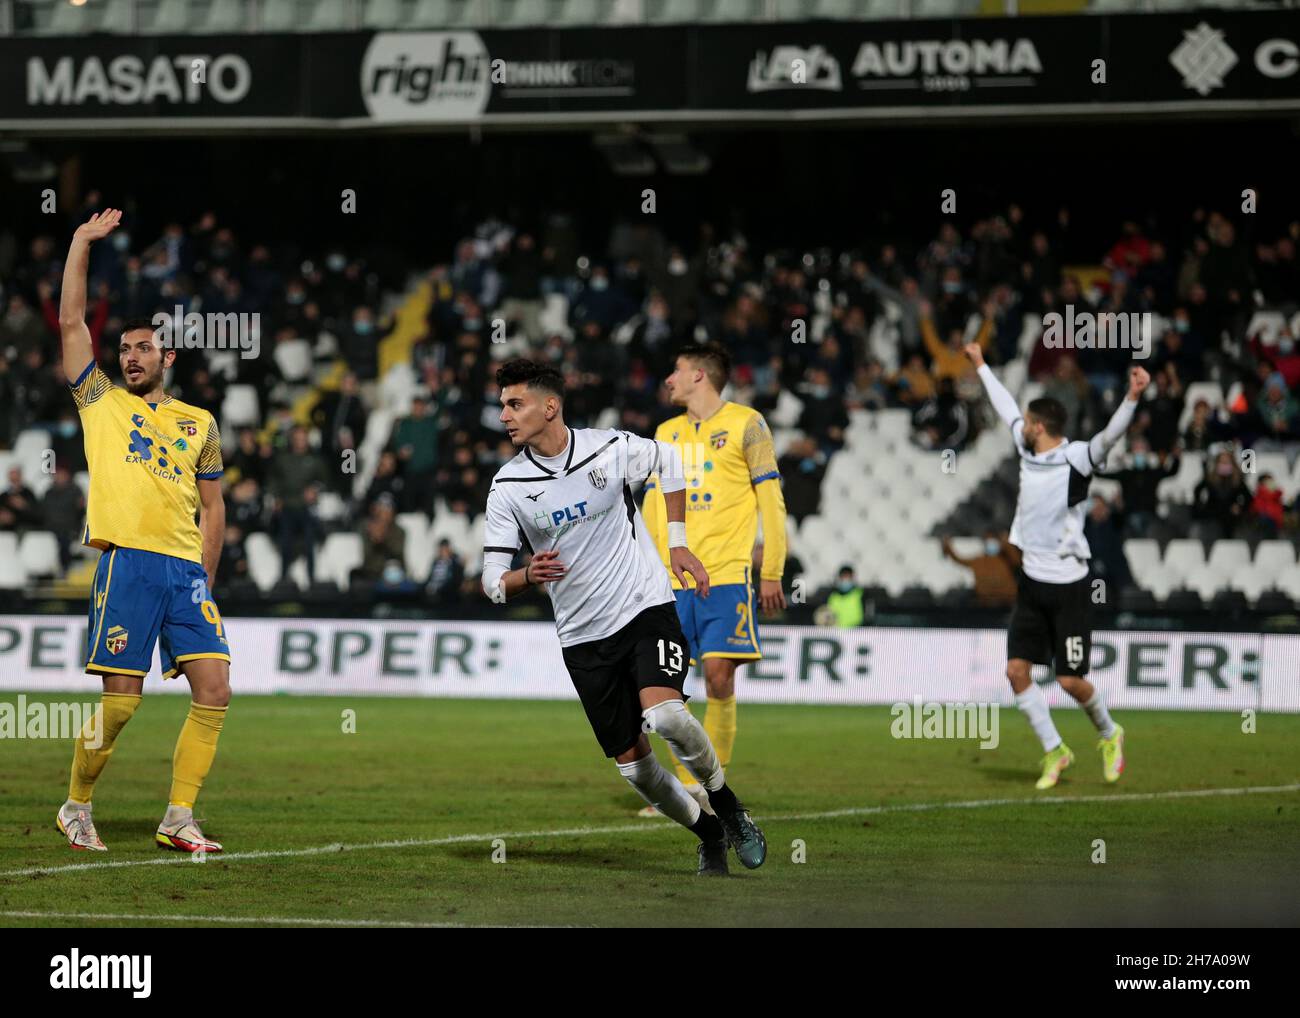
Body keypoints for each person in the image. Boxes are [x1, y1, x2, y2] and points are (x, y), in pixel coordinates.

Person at [481, 358, 766, 876]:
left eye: (514, 403)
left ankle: (728, 807)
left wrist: (677, 545)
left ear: (550, 406)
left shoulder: (609, 449)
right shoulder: (508, 487)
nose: (504, 414)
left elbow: (673, 462)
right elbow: (490, 581)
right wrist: (526, 576)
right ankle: (708, 835)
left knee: (667, 716)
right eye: (502, 404)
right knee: (636, 769)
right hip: (582, 637)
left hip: (643, 607)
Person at [56, 209, 230, 854]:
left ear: (168, 356)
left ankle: (178, 816)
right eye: (124, 350)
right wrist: (80, 243)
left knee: (216, 688)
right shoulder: (102, 402)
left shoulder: (199, 421)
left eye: (141, 349)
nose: (130, 358)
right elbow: (72, 322)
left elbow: (213, 509)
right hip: (127, 563)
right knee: (121, 703)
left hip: (185, 573)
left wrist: (206, 578)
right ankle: (76, 805)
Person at [966, 340, 1148, 790]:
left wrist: (1132, 397)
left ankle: (1109, 733)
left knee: (1069, 680)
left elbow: (1110, 437)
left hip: (1069, 585)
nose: (1020, 426)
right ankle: (1055, 749)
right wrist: (982, 364)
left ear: (1041, 426)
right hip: (1032, 581)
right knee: (1016, 671)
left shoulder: (1077, 458)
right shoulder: (1028, 449)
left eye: (1027, 422)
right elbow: (1005, 404)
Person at [637, 342, 787, 818]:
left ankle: (703, 787)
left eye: (676, 371)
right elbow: (654, 505)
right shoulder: (665, 432)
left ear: (700, 375)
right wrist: (645, 568)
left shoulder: (748, 424)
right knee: (667, 688)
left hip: (726, 575)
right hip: (670, 581)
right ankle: (680, 791)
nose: (668, 379)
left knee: (719, 676)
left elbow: (771, 501)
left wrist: (773, 569)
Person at [941, 533, 1018, 607]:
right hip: (986, 601)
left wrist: (1008, 544)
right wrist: (948, 547)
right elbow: (959, 559)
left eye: (994, 541)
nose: (991, 544)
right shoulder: (979, 561)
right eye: (988, 541)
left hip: (1007, 600)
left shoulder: (1006, 559)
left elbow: (1017, 561)